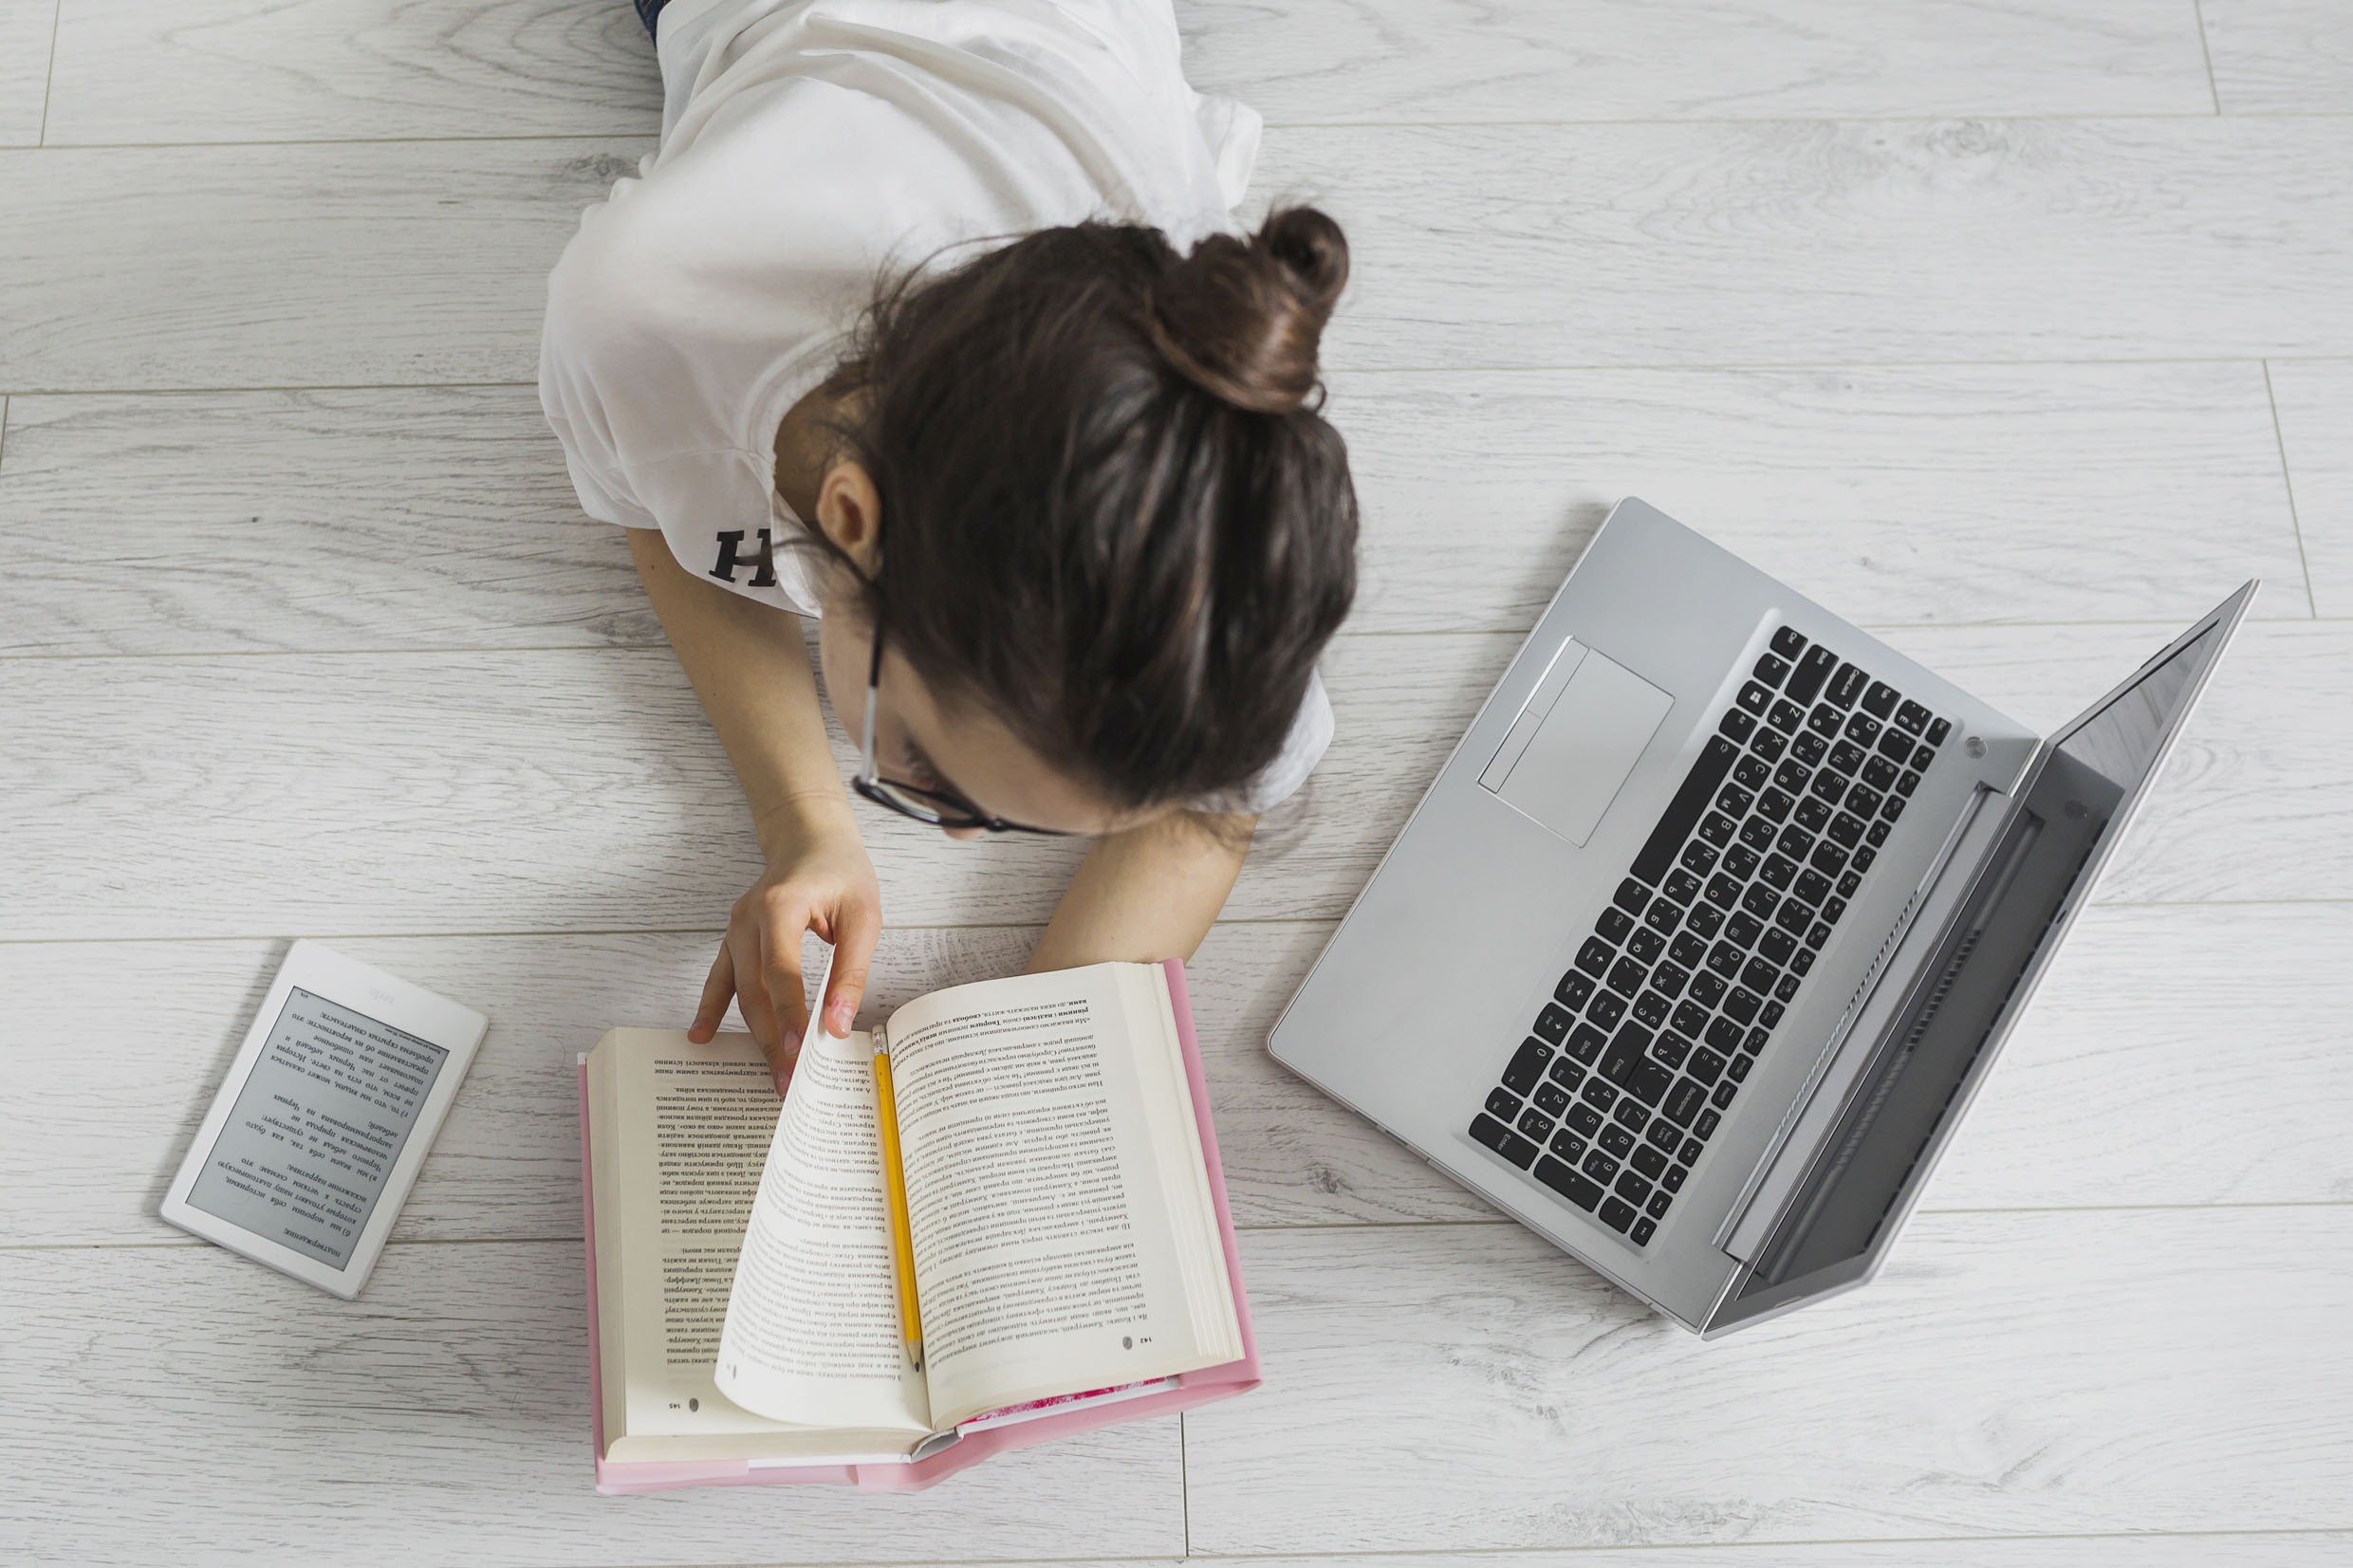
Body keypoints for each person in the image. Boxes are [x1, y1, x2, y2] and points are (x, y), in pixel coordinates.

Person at [541, 0, 1359, 1094]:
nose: (961, 841)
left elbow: (1205, 820)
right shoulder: (643, 312)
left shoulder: (1213, 529)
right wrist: (802, 815)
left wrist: (999, 1086)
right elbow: (655, 507)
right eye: (930, 778)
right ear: (844, 521)